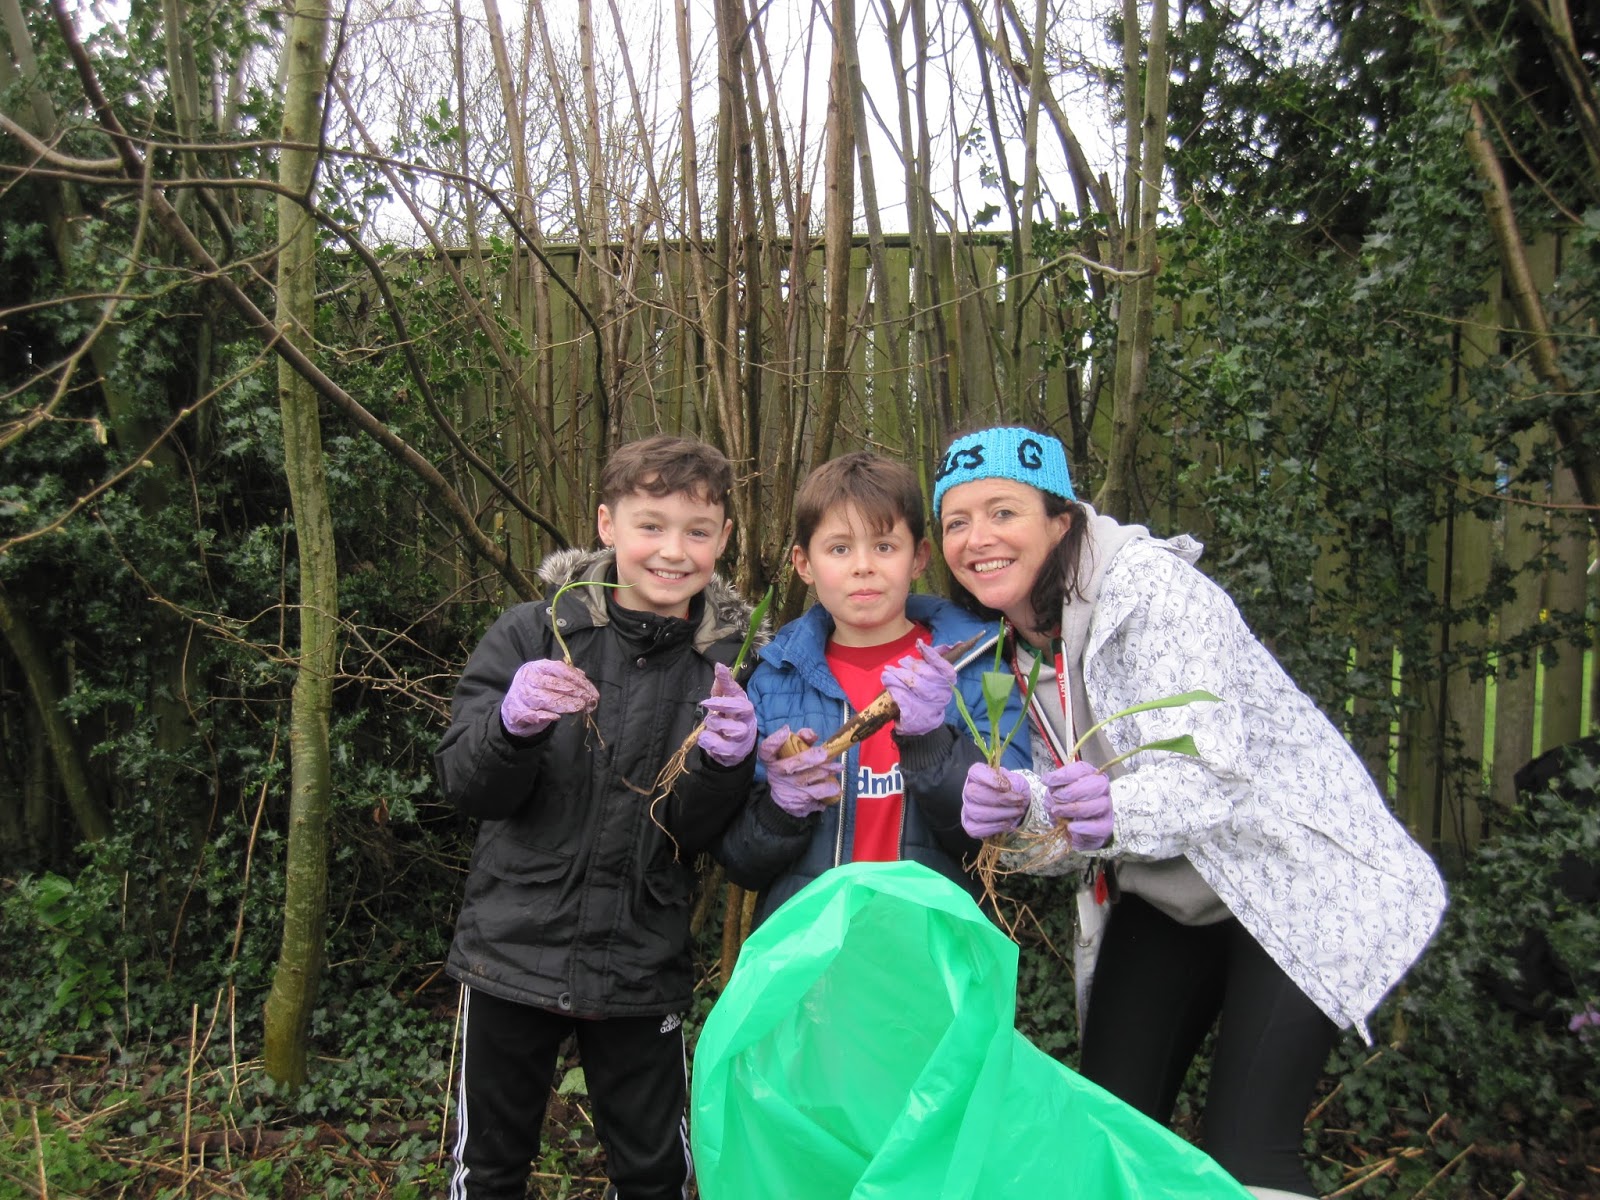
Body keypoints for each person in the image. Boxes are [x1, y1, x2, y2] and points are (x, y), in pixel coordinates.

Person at [933, 425, 1447, 1200]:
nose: (978, 540)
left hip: (1288, 880)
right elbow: (1075, 837)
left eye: (1003, 512)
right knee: (1103, 1131)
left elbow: (1211, 777)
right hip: (1168, 889)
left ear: (1061, 521)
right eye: (956, 522)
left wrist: (1101, 808)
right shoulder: (1013, 649)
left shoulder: (1152, 590)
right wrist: (1019, 812)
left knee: (1247, 1155)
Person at [435, 434, 762, 1200]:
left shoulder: (731, 666)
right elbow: (463, 783)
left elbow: (699, 835)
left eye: (697, 531)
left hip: (640, 965)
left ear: (723, 540)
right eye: (651, 525)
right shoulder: (532, 631)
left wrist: (725, 762)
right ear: (608, 525)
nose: (672, 551)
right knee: (488, 1171)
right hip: (510, 954)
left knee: (654, 1177)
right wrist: (510, 726)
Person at [717, 451, 1029, 927]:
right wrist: (781, 811)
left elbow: (1006, 840)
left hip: (933, 950)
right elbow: (741, 863)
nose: (863, 566)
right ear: (804, 563)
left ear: (919, 557)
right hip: (811, 955)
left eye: (884, 547)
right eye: (839, 549)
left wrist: (932, 746)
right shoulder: (773, 679)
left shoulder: (979, 669)